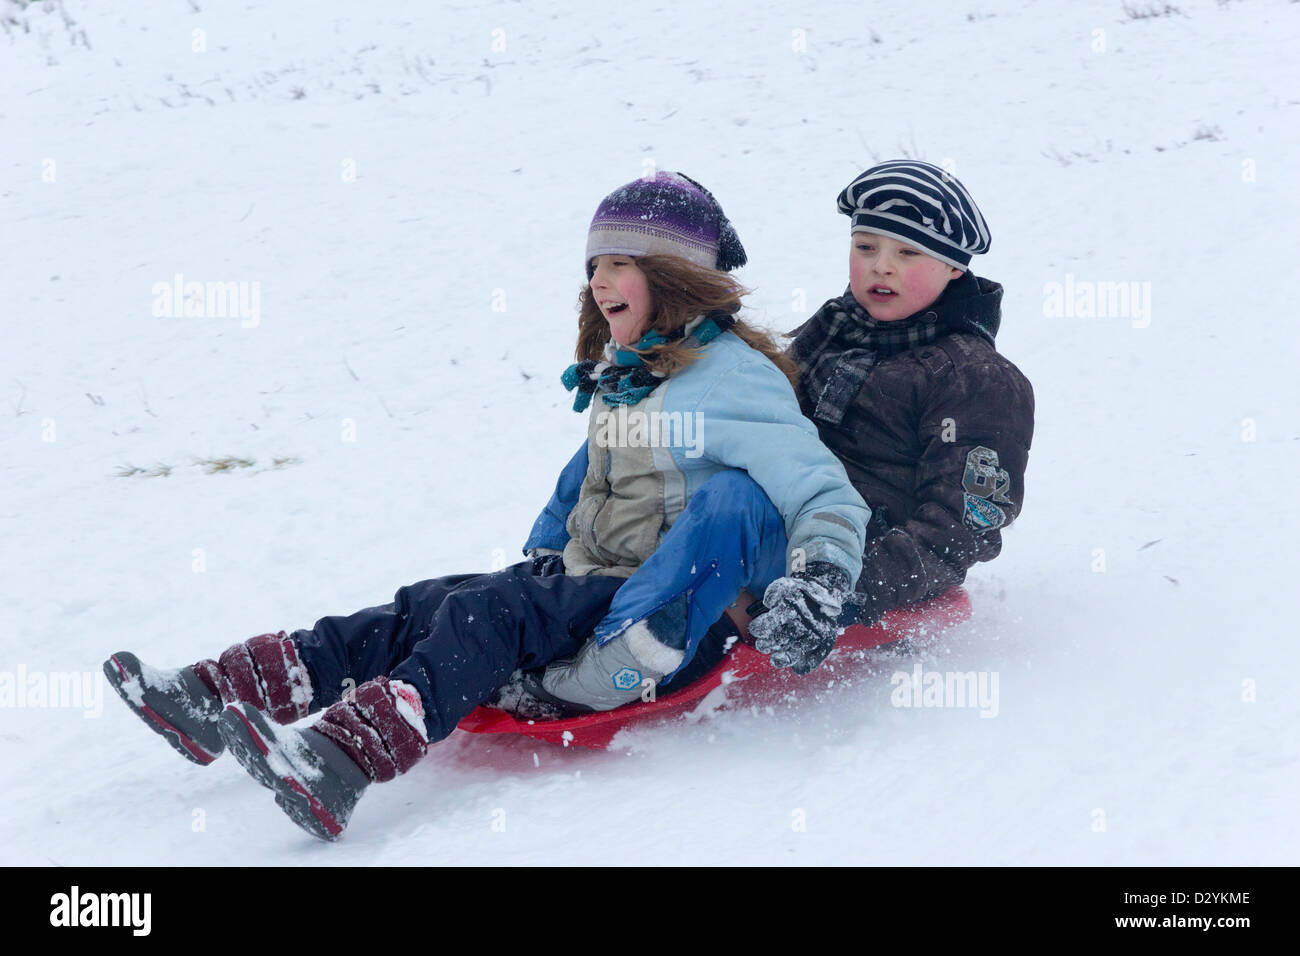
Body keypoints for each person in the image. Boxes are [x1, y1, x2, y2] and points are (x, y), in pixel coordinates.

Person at [102, 171, 871, 841]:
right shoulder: (635, 372)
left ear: (673, 278)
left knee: (484, 617)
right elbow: (585, 477)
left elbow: (821, 490)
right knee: (427, 605)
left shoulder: (734, 378)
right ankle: (220, 695)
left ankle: (340, 764)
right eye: (594, 265)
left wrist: (819, 582)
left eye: (621, 265)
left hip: (658, 617)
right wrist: (543, 547)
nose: (600, 283)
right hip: (588, 579)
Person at [518, 159, 1034, 708]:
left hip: (843, 560)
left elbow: (962, 528)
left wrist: (837, 592)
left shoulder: (977, 380)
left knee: (728, 496)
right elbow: (755, 418)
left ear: (955, 267)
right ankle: (552, 563)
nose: (881, 268)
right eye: (865, 248)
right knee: (633, 426)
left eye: (907, 253)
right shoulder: (831, 329)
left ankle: (618, 660)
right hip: (765, 520)